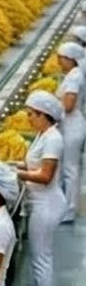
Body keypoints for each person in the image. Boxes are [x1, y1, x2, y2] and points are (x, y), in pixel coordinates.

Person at [13, 90, 65, 286]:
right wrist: (13, 165)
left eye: (32, 114)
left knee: (41, 259)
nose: (28, 117)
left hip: (46, 205)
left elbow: (45, 176)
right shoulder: (42, 135)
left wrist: (16, 174)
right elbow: (32, 164)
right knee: (40, 257)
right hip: (40, 202)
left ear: (44, 115)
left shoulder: (53, 139)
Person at [55, 42, 85, 222]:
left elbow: (68, 104)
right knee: (70, 168)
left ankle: (69, 210)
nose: (59, 62)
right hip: (72, 125)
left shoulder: (74, 78)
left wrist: (50, 106)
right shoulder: (74, 75)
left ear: (70, 59)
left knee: (70, 170)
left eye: (61, 58)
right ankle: (66, 208)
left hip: (73, 126)